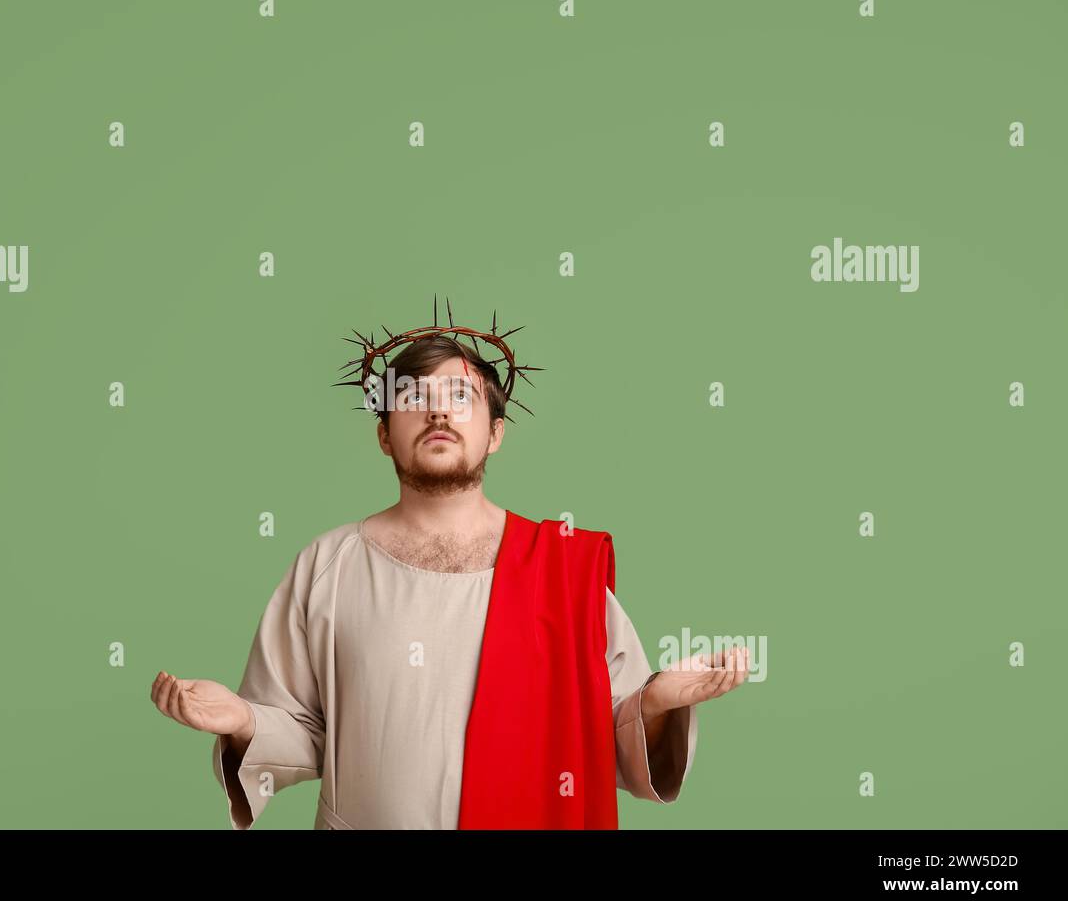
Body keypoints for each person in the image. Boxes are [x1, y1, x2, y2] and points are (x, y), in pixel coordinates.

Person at [150, 309, 747, 829]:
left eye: (460, 397)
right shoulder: (327, 565)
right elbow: (304, 732)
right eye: (413, 399)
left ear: (495, 433)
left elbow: (607, 738)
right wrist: (242, 720)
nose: (438, 413)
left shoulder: (561, 569)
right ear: (384, 434)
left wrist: (657, 705)